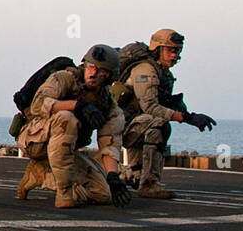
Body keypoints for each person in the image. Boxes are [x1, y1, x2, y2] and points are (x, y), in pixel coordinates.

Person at [15, 45, 130, 209]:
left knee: (101, 194)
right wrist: (76, 105)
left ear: (110, 75)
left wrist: (113, 176)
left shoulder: (108, 105)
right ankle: (64, 192)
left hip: (65, 149)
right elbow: (39, 104)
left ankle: (41, 174)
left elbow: (110, 142)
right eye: (91, 67)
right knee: (66, 118)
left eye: (101, 70)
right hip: (35, 139)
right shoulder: (63, 79)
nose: (94, 73)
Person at [118, 28, 216, 199]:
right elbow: (150, 107)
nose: (175, 55)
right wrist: (186, 118)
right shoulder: (146, 70)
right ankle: (149, 185)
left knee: (154, 124)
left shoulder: (163, 73)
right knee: (159, 124)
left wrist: (189, 116)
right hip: (121, 127)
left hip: (136, 125)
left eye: (177, 51)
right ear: (158, 49)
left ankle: (134, 174)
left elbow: (164, 105)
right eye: (171, 50)